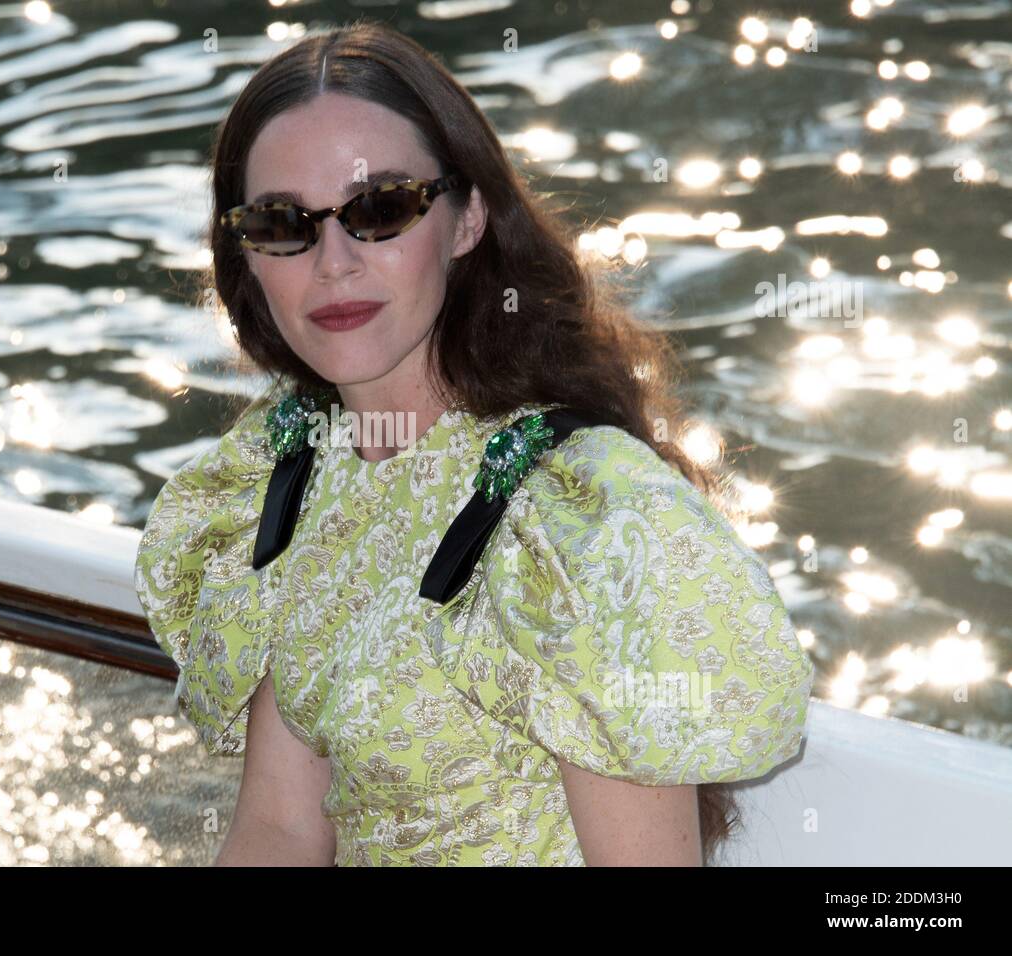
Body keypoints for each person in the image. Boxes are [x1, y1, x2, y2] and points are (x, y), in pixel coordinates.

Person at [135, 20, 814, 866]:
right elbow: (280, 829)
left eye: (379, 210)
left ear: (467, 220)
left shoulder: (577, 520)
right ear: (246, 256)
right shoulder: (299, 475)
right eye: (283, 223)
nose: (333, 260)